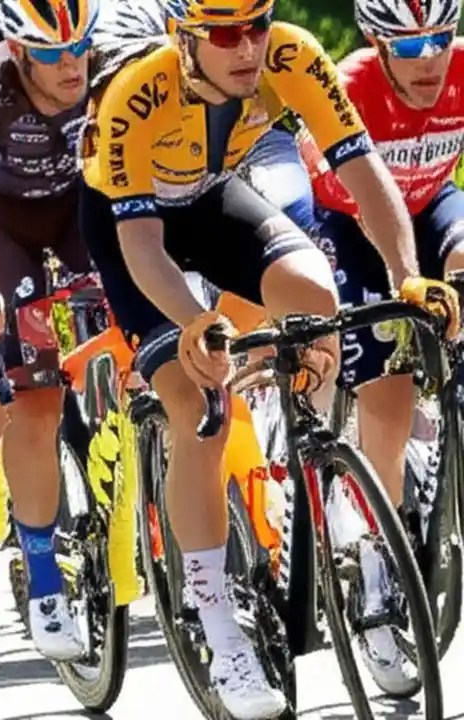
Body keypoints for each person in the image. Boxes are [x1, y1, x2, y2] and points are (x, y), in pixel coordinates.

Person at [81, 0, 458, 716]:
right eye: (225, 33)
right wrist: (196, 324)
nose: (247, 45)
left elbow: (362, 168)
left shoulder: (291, 53)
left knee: (314, 294)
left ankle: (317, 453)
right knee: (198, 412)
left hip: (217, 198)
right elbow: (141, 248)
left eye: (257, 24)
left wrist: (406, 272)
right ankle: (219, 626)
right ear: (185, 39)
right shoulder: (136, 90)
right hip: (134, 232)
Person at [300, 0, 464, 694]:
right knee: (388, 401)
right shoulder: (352, 84)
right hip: (352, 228)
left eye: (442, 37)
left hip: (432, 208)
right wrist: (404, 285)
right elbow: (356, 195)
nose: (429, 57)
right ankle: (373, 581)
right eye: (411, 43)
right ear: (376, 41)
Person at [0, 0, 97, 661]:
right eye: (52, 53)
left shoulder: (113, 59)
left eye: (79, 48)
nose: (72, 65)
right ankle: (42, 582)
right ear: (18, 48)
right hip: (6, 229)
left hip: (85, 210)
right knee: (37, 404)